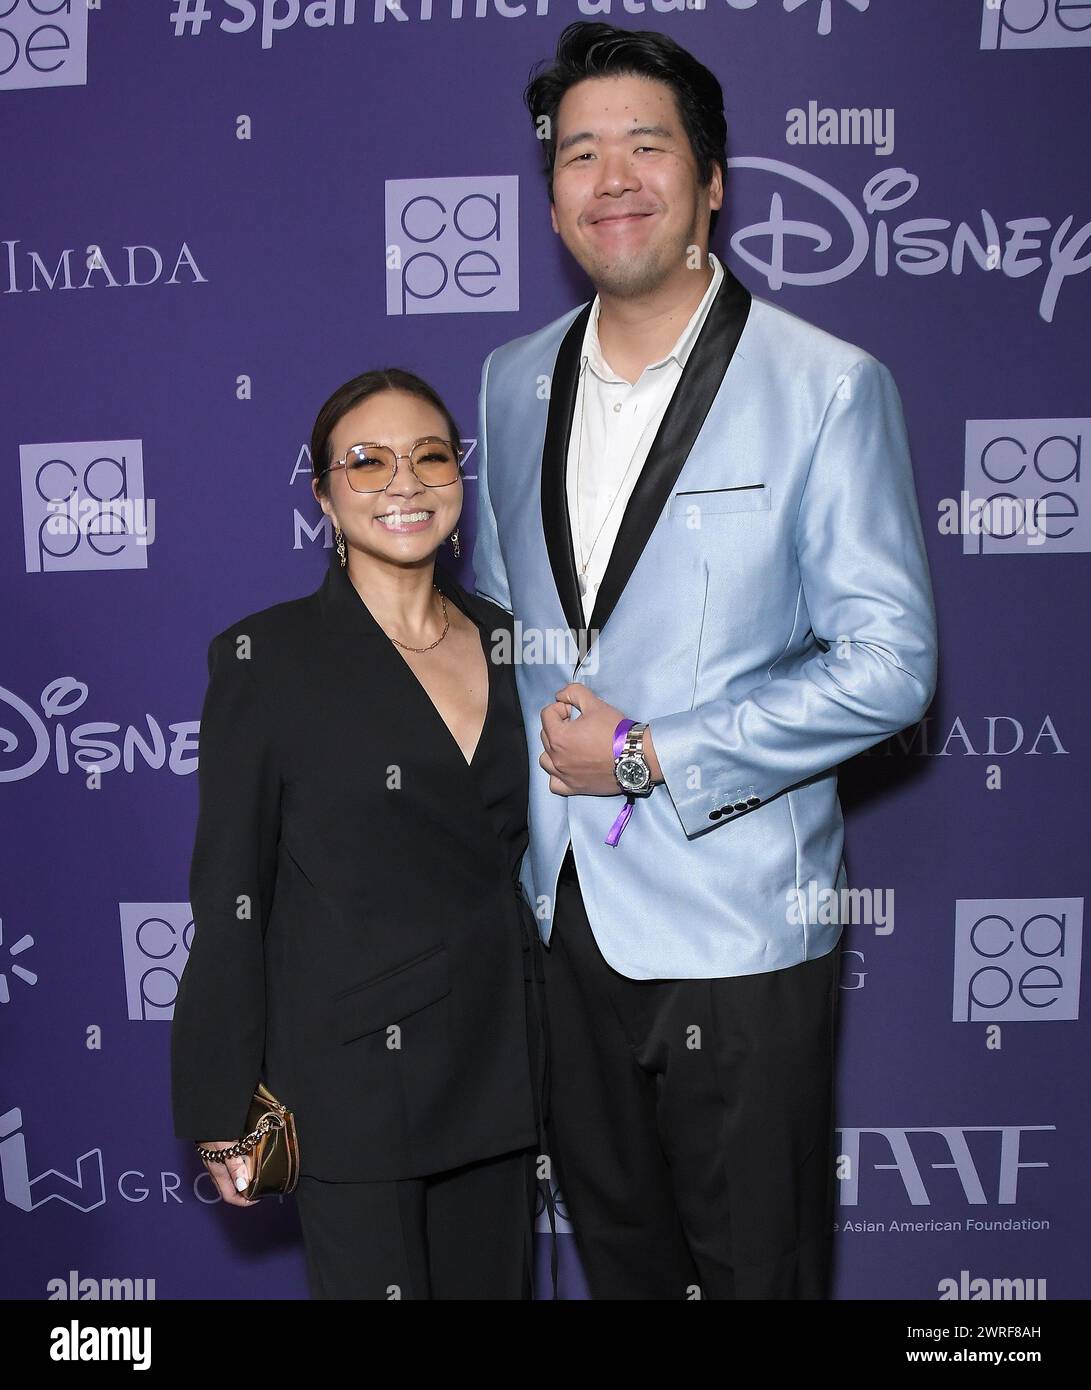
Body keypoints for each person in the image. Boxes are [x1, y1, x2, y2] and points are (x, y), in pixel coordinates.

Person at [472, 22, 938, 1299]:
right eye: (577, 153)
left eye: (645, 144)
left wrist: (648, 753)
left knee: (755, 1276)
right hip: (561, 917)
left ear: (711, 177)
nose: (610, 177)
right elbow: (511, 631)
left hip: (736, 929)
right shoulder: (508, 383)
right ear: (550, 191)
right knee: (622, 1270)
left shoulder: (826, 385)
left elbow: (889, 662)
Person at [171, 367, 549, 1300]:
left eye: (429, 458)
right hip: (351, 1076)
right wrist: (222, 1107)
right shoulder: (268, 658)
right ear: (325, 496)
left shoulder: (514, 642)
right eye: (367, 462)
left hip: (501, 1058)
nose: (404, 484)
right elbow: (229, 888)